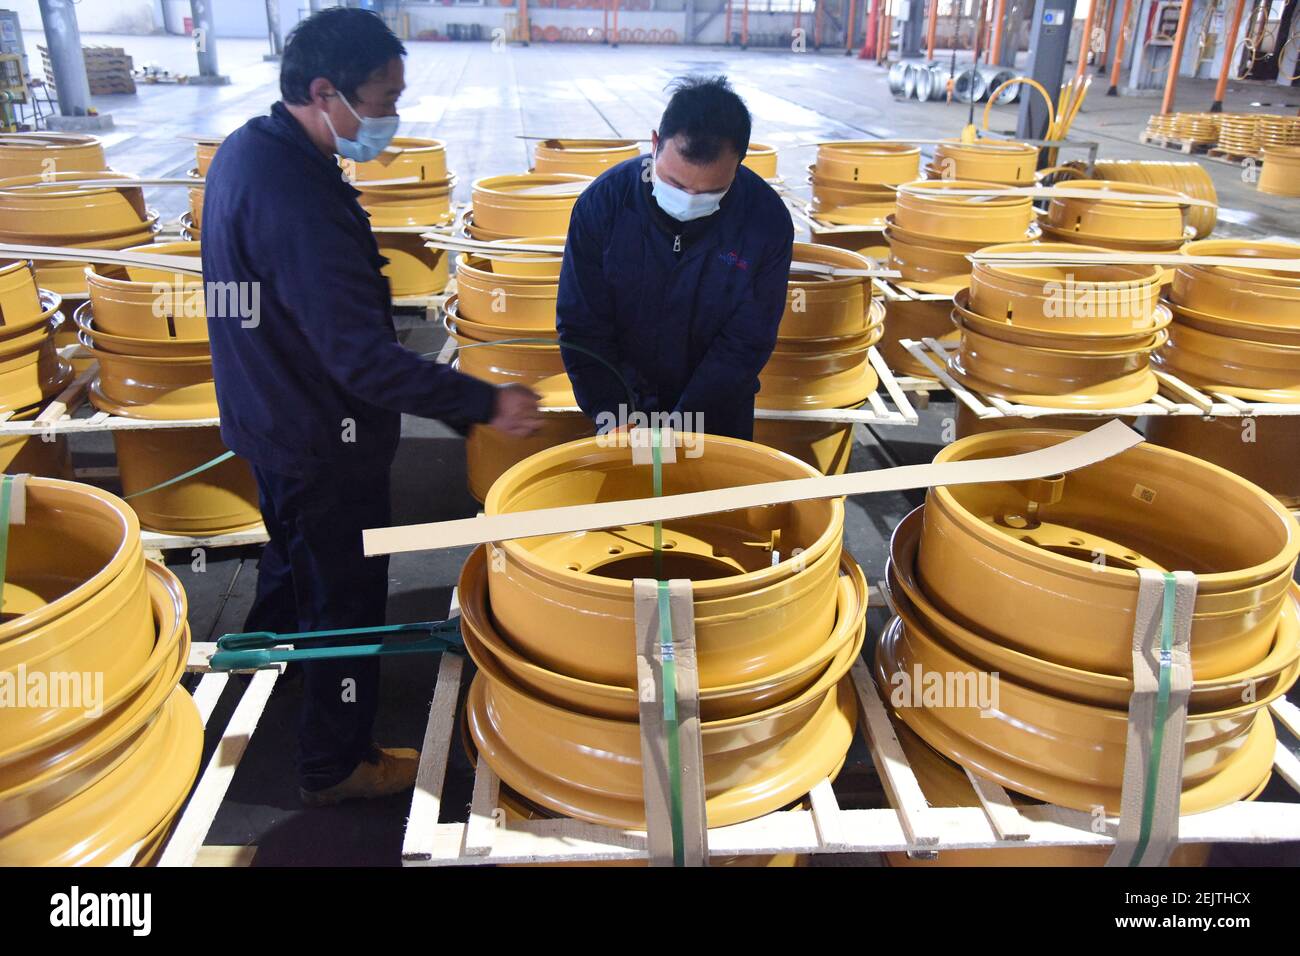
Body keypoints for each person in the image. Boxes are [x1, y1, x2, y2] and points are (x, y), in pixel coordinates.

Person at [200, 8, 541, 807]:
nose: (392, 115)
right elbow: (361, 362)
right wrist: (484, 402)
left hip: (265, 415)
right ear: (326, 92)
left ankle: (263, 656)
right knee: (345, 600)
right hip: (322, 439)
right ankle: (334, 760)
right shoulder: (302, 201)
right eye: (383, 97)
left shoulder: (250, 150)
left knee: (289, 556)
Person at [556, 75, 794, 441]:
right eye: (677, 184)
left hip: (716, 406)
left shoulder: (765, 222)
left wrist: (684, 425)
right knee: (629, 493)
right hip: (623, 404)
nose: (689, 199)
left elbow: (747, 339)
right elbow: (582, 324)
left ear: (739, 164)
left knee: (713, 494)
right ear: (655, 143)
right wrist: (612, 409)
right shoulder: (604, 206)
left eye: (711, 190)